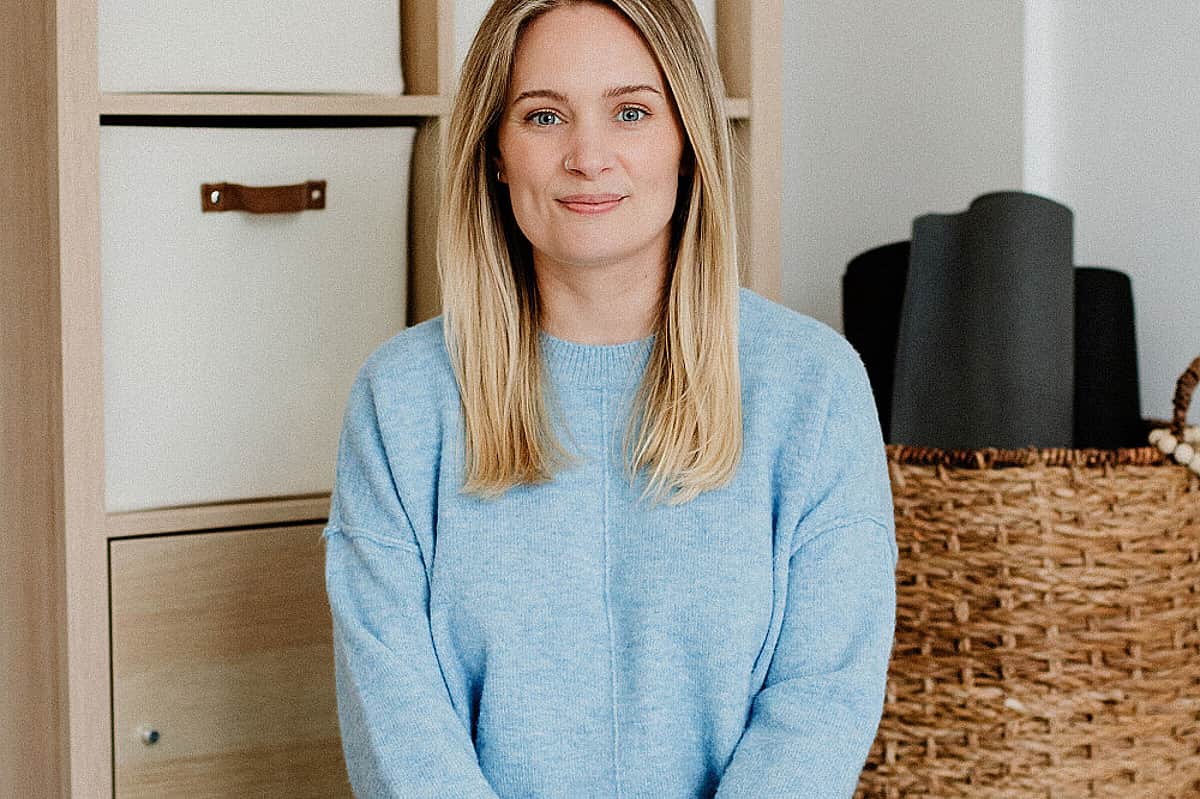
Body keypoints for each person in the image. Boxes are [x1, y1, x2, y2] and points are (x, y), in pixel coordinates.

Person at [321, 0, 897, 797]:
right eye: (544, 115)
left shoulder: (815, 388)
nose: (588, 156)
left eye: (630, 111)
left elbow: (821, 701)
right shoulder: (400, 403)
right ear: (495, 151)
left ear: (687, 144)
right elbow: (401, 728)